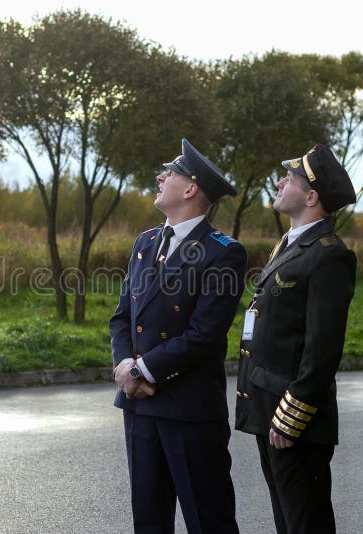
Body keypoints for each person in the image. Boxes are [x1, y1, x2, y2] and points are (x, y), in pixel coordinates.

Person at [110, 138, 247, 534]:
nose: (160, 176)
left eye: (169, 171)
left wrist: (142, 370)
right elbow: (122, 318)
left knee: (209, 523)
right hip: (139, 409)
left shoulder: (224, 252)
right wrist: (124, 366)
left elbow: (204, 335)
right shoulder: (145, 243)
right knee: (149, 523)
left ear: (190, 188)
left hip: (189, 412)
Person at [235, 144, 357, 534]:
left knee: (306, 523)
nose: (279, 181)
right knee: (288, 522)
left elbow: (322, 350)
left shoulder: (329, 255)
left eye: (290, 178)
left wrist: (291, 419)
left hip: (292, 420)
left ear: (311, 197)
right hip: (270, 409)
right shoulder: (292, 243)